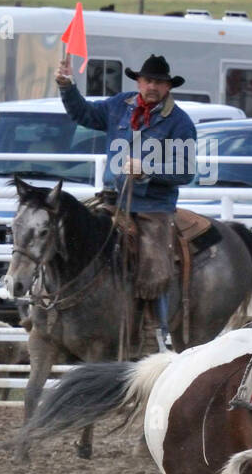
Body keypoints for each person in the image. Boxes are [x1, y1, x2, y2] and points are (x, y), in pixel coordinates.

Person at [56, 53, 196, 350]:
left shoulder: (179, 122)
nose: (152, 86)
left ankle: (158, 333)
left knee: (155, 264)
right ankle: (59, 310)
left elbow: (185, 171)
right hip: (111, 199)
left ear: (168, 87)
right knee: (66, 231)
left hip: (153, 207)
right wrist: (67, 87)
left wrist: (148, 170)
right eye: (148, 80)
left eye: (159, 82)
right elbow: (84, 114)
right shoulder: (119, 105)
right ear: (139, 81)